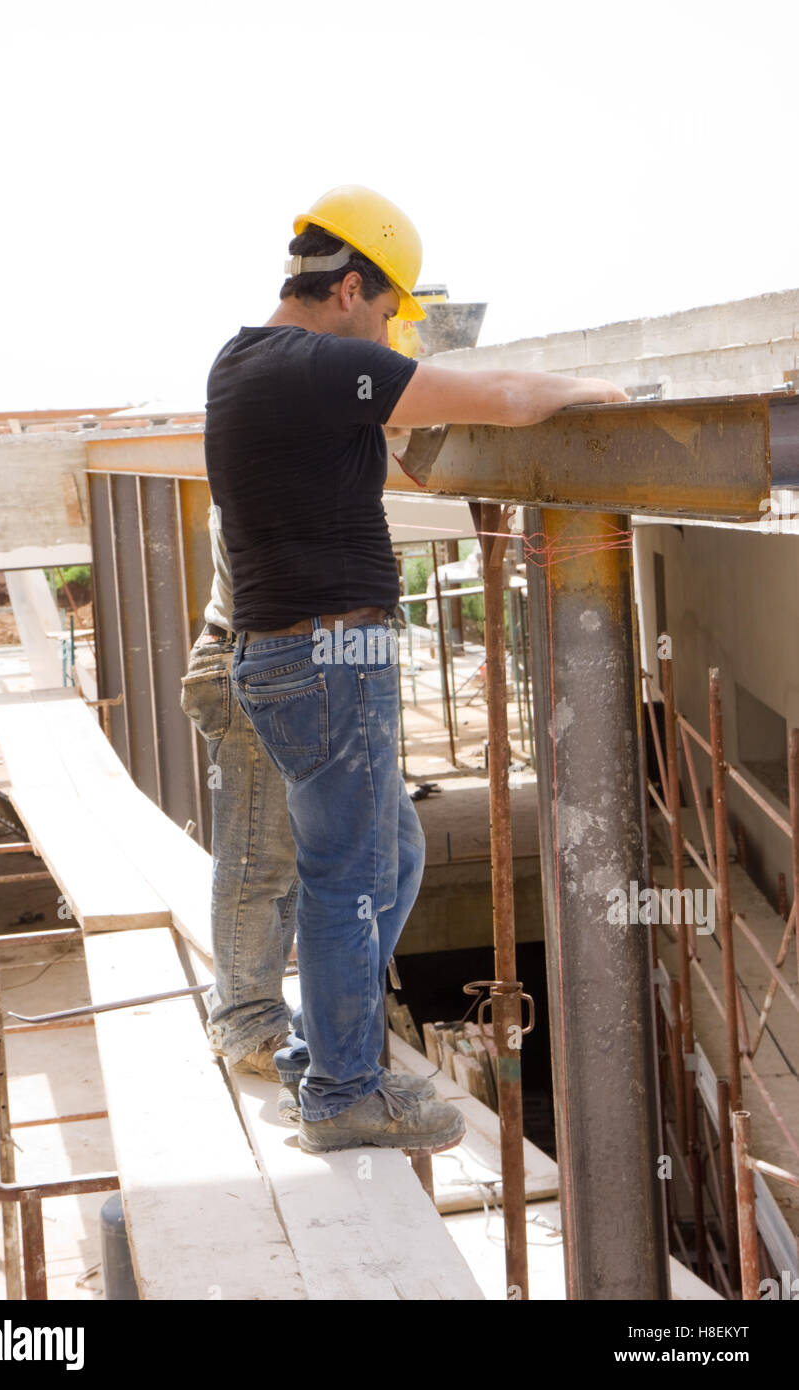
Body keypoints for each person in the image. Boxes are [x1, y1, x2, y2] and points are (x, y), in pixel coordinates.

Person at [207, 185, 629, 1154]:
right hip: (325, 655)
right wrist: (607, 396)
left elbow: (388, 449)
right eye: (391, 309)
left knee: (384, 859)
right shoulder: (324, 364)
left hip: (291, 654)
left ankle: (325, 1056)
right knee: (346, 874)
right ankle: (343, 1095)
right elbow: (515, 401)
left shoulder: (243, 362)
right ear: (349, 286)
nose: (394, 331)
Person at [180, 503, 298, 1081]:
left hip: (269, 659)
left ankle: (252, 1008)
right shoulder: (263, 449)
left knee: (285, 859)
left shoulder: (290, 440)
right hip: (248, 660)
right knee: (258, 859)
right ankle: (246, 1022)